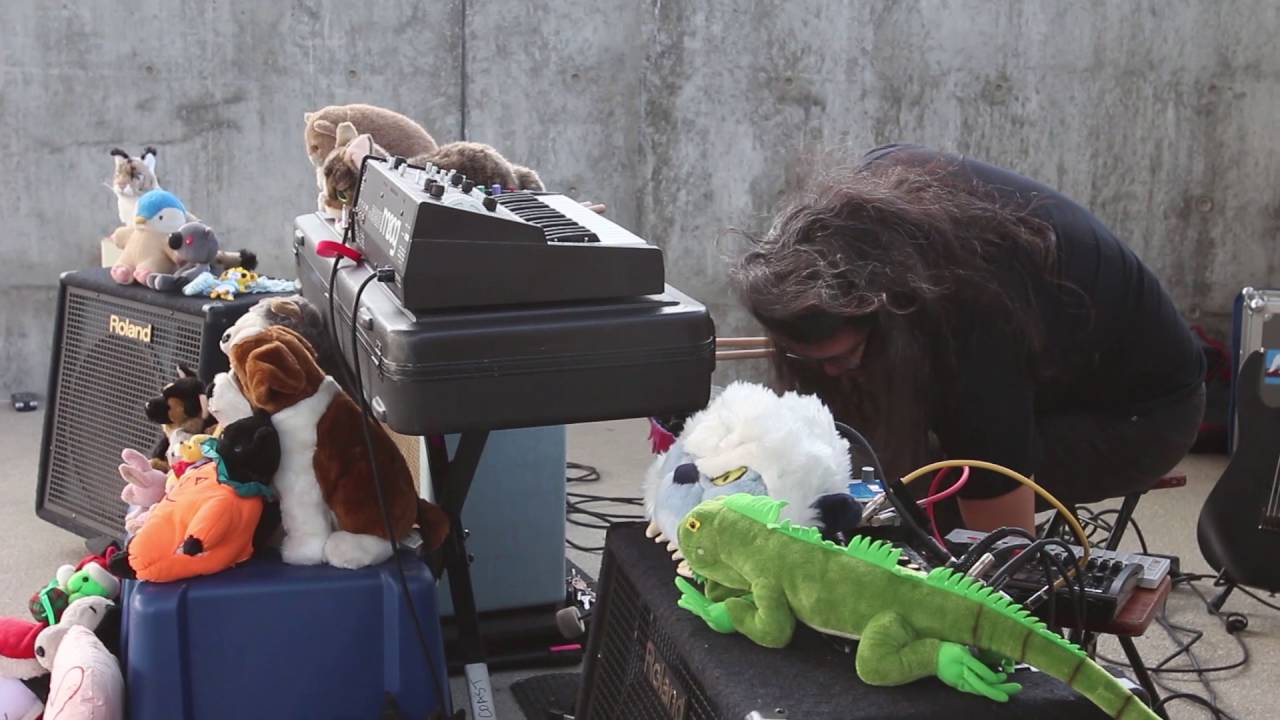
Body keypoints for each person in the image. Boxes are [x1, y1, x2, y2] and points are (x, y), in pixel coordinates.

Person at [731, 143, 1206, 534]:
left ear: (886, 309)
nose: (831, 373)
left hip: (1143, 413)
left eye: (844, 355)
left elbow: (1005, 547)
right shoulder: (853, 212)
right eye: (809, 359)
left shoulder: (970, 329)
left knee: (923, 516)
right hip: (1048, 363)